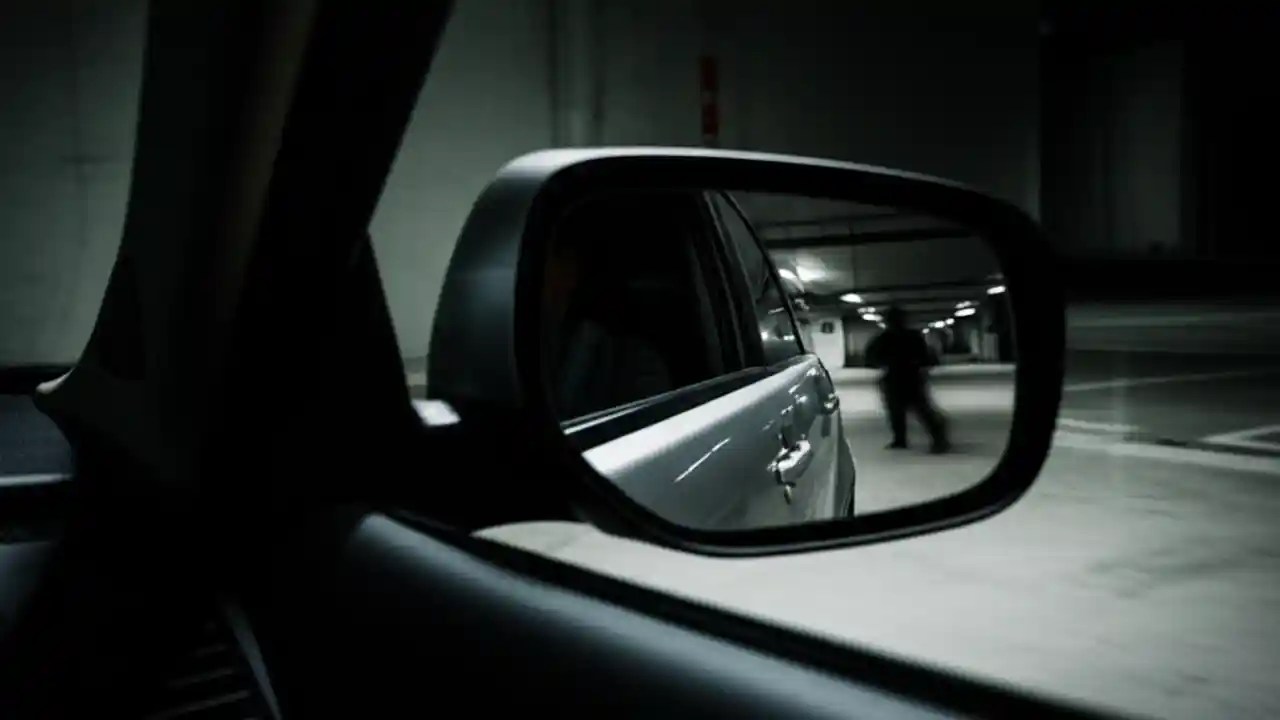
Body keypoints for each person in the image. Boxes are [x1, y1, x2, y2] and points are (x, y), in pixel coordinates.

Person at [864, 305, 950, 453]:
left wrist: (886, 363)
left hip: (895, 378)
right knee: (920, 410)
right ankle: (936, 439)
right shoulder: (913, 336)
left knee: (900, 411)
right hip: (910, 376)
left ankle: (902, 439)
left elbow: (870, 359)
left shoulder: (883, 338)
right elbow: (927, 357)